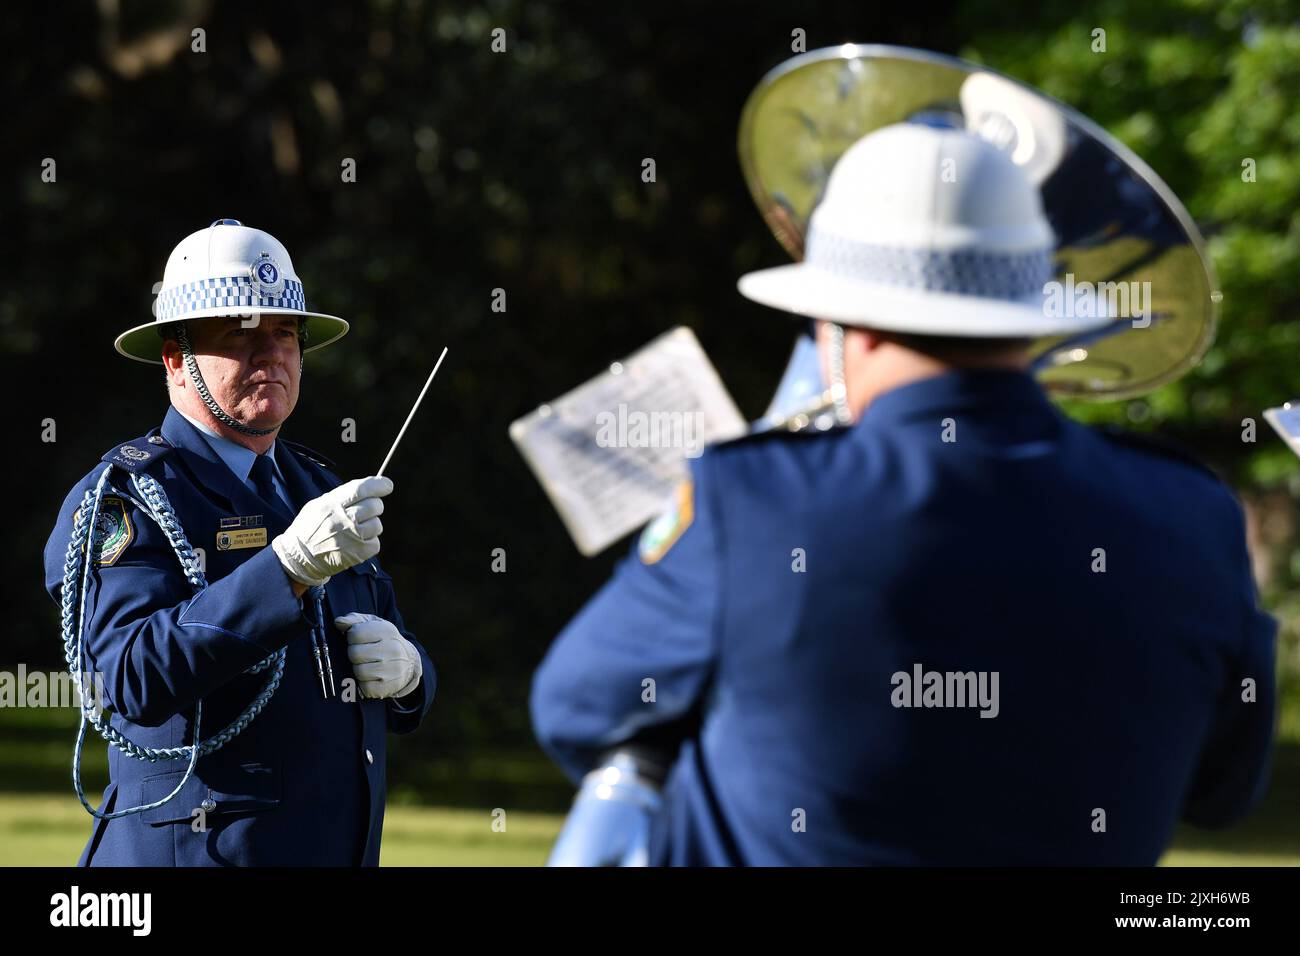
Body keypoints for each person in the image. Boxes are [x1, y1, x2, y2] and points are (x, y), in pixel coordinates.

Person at [530, 124, 1276, 865]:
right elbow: (1225, 788)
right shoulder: (1190, 516)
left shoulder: (752, 500)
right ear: (1032, 314)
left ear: (841, 324)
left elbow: (577, 705)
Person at [44, 218, 435, 866]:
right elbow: (130, 678)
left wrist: (412, 675)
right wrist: (285, 570)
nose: (271, 355)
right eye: (240, 334)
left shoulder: (316, 486)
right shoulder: (128, 498)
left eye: (286, 334)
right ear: (176, 358)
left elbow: (382, 648)